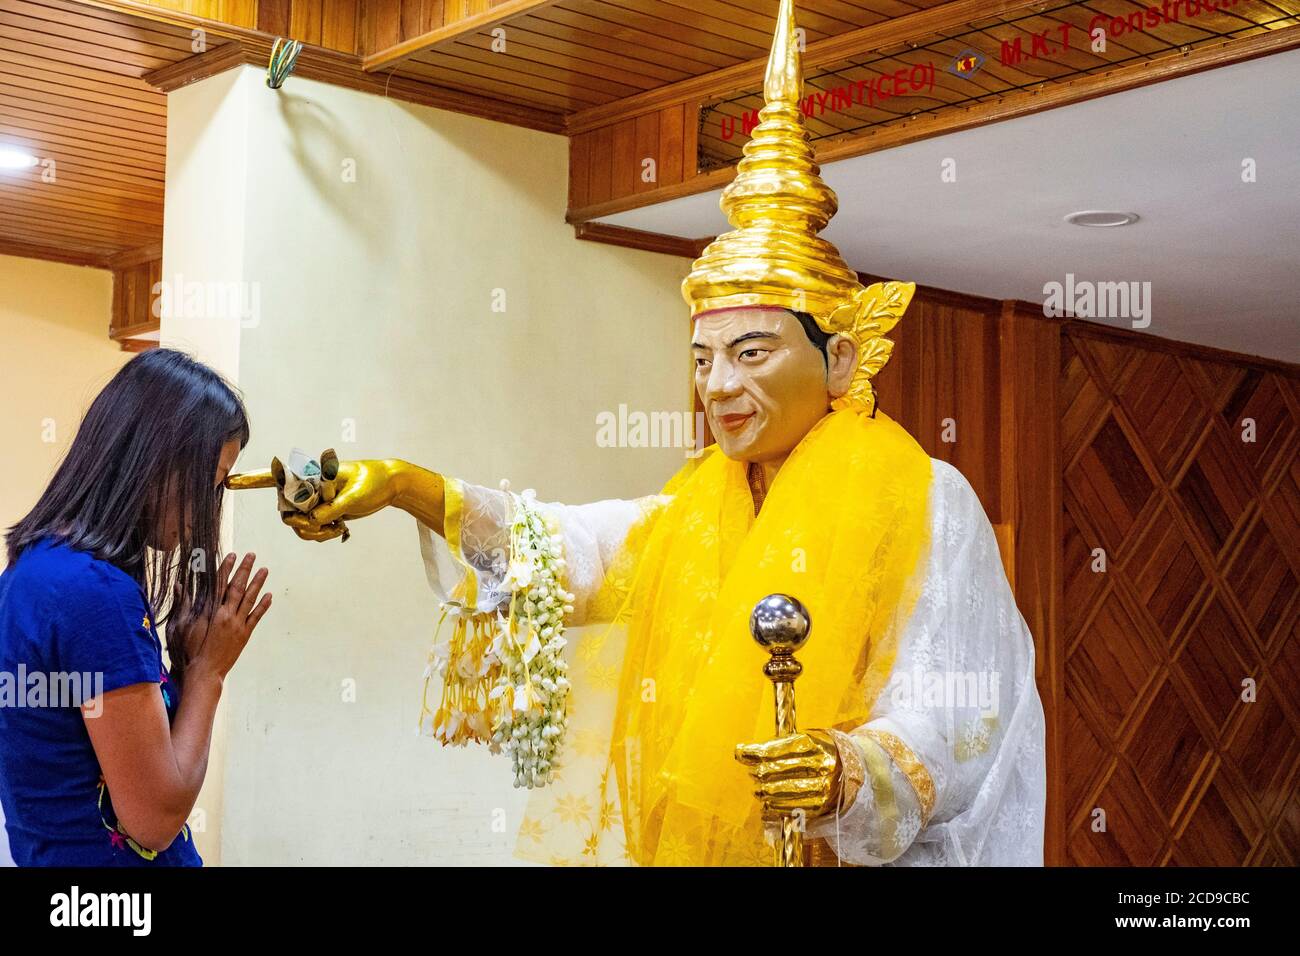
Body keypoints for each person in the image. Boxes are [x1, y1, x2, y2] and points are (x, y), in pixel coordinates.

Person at [238, 0, 1045, 866]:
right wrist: (407, 487)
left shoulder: (926, 498)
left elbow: (964, 707)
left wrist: (845, 768)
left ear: (841, 360)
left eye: (752, 351)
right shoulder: (701, 505)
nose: (719, 385)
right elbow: (576, 550)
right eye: (703, 359)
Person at [0, 348, 273, 866]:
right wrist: (208, 673)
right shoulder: (94, 594)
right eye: (208, 482)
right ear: (155, 458)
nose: (206, 511)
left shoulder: (38, 569)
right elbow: (155, 819)